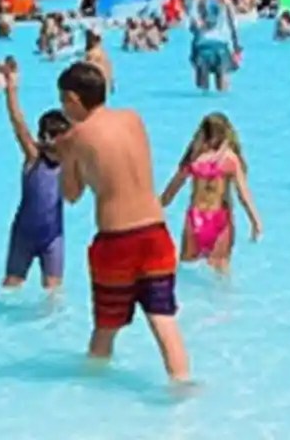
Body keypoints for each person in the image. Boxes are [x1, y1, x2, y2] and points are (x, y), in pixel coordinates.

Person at [53, 61, 189, 380]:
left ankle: (90, 394)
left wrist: (63, 158)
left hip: (117, 241)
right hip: (156, 232)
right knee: (163, 319)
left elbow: (72, 195)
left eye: (62, 100)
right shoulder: (133, 119)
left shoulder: (75, 137)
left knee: (106, 327)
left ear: (73, 99)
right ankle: (183, 387)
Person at [158, 113, 262, 274]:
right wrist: (255, 221)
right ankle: (224, 300)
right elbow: (243, 195)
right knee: (222, 273)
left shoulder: (194, 159)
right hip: (220, 220)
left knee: (185, 270)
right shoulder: (230, 160)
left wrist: (151, 211)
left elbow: (169, 194)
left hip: (195, 220)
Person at [1, 66, 69, 290]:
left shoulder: (71, 161)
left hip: (53, 237)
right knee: (12, 285)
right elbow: (18, 123)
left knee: (54, 292)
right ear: (46, 138)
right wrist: (11, 89)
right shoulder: (34, 158)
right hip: (24, 235)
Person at [189, 0, 240, 92]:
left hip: (202, 46)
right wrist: (236, 46)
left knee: (202, 90)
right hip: (221, 46)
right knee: (222, 90)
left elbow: (193, 28)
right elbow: (233, 26)